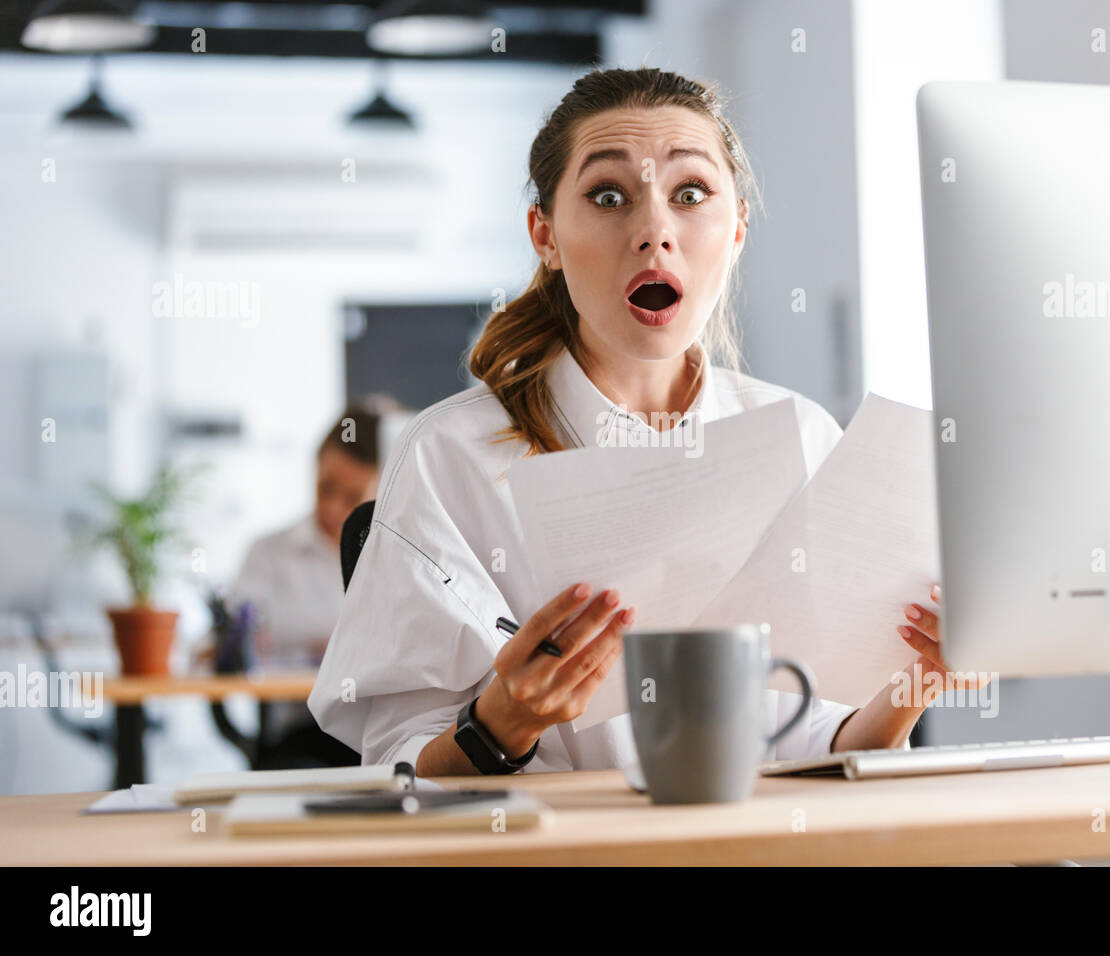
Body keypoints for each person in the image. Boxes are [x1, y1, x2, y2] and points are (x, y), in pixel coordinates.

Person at [309, 66, 969, 777]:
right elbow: (397, 772)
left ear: (738, 227)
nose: (655, 231)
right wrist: (506, 720)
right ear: (546, 235)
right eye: (608, 196)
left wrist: (916, 680)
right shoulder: (451, 457)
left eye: (690, 194)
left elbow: (826, 752)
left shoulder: (804, 438)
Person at [230, 402, 385, 767]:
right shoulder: (268, 554)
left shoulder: (399, 559)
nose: (332, 508)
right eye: (325, 487)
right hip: (299, 735)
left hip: (384, 734)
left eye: (351, 498)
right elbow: (242, 639)